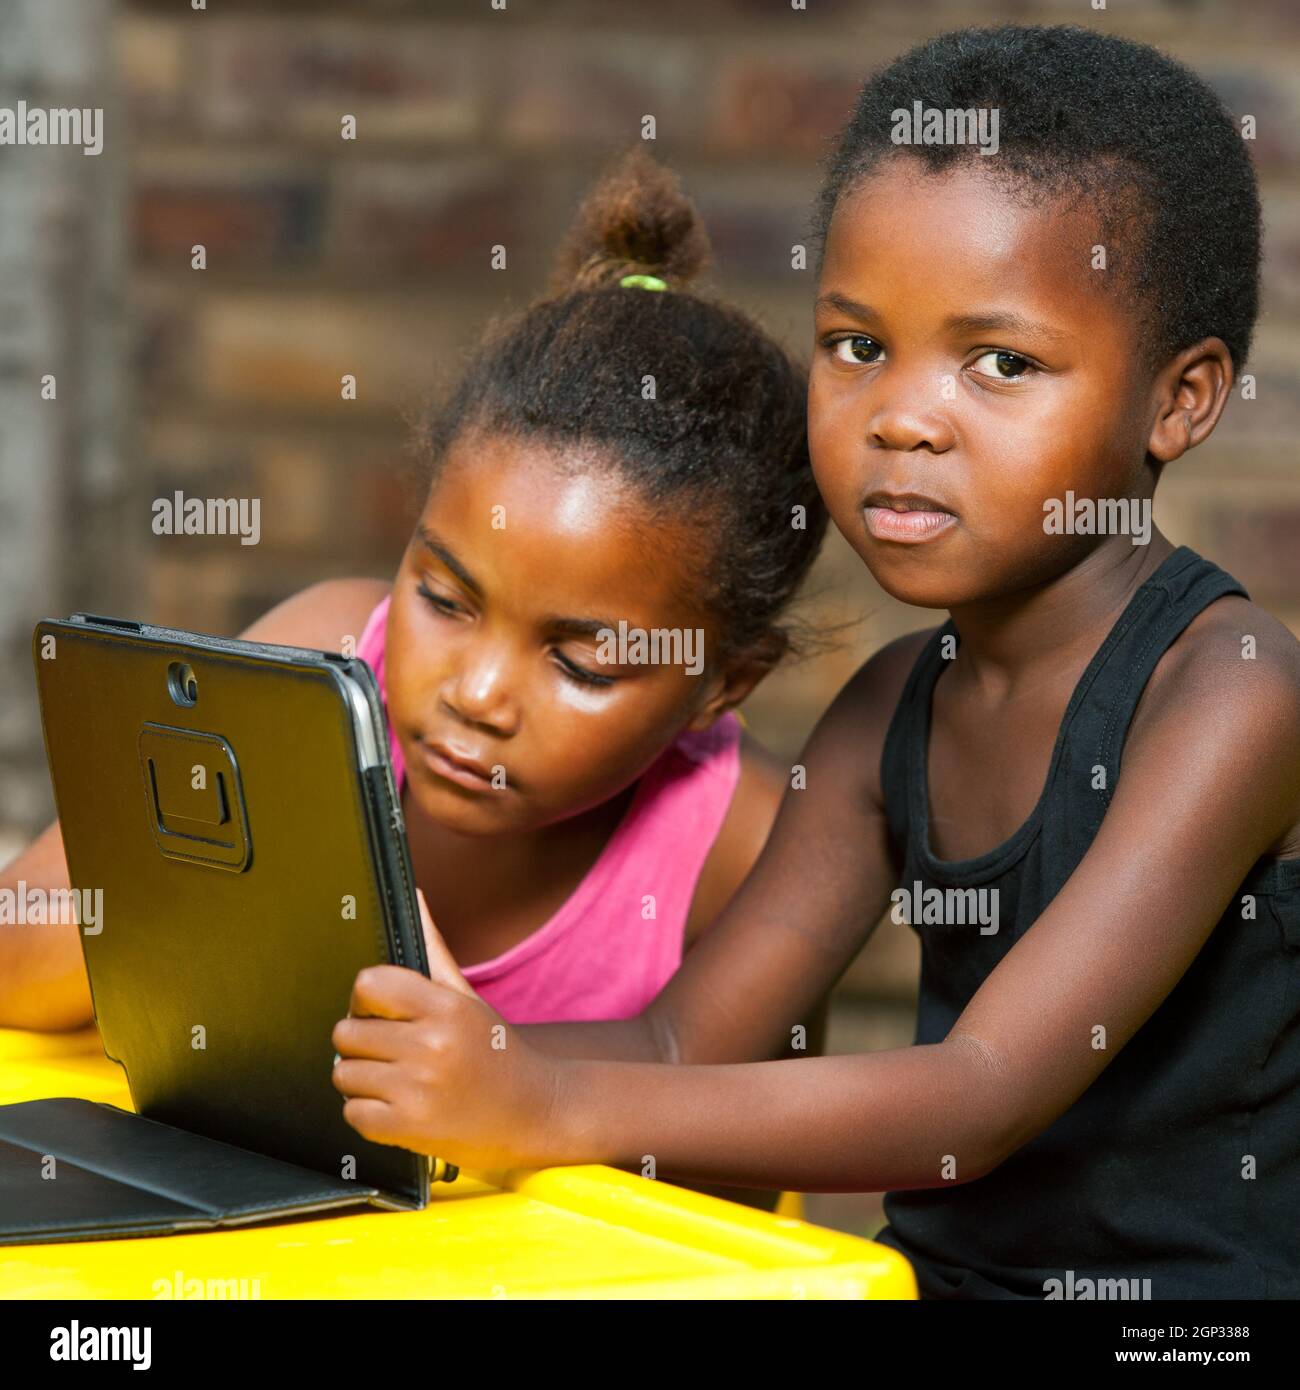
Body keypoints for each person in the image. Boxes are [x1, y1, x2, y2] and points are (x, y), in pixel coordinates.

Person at [334, 26, 1300, 1300]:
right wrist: (420, 1062)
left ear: (1179, 401)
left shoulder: (1229, 690)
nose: (900, 416)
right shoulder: (890, 707)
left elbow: (980, 1094)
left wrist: (533, 1098)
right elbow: (684, 1041)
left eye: (1000, 363)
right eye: (856, 345)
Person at [0, 151, 831, 1209]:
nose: (476, 691)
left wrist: (460, 1054)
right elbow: (12, 955)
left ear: (723, 684)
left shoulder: (746, 840)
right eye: (444, 599)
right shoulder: (321, 666)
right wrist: (195, 908)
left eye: (579, 661)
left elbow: (738, 1177)